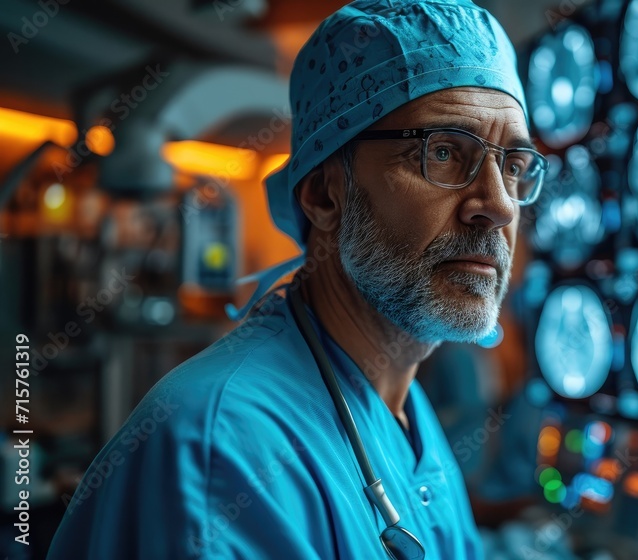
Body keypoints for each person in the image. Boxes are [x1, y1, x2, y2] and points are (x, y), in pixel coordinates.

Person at [47, 1, 546, 557]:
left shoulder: (404, 407)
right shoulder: (224, 452)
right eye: (445, 152)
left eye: (515, 166)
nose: (499, 206)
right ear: (324, 195)